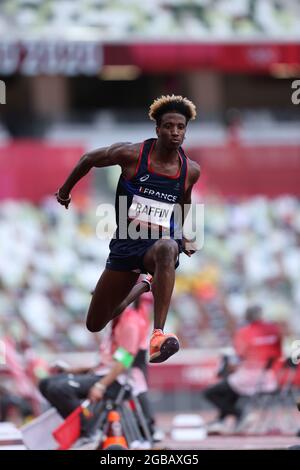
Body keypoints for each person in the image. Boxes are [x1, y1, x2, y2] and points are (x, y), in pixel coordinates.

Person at [56, 95, 200, 363]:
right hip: (126, 245)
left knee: (168, 248)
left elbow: (185, 200)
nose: (175, 132)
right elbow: (88, 158)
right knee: (96, 322)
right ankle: (145, 284)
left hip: (158, 243)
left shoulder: (190, 170)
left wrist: (188, 234)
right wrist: (65, 191)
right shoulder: (132, 154)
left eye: (181, 127)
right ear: (157, 129)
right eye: (169, 126)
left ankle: (158, 333)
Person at [39, 295, 158, 444]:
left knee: (59, 389)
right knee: (45, 383)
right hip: (103, 374)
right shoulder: (114, 322)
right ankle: (78, 426)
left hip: (117, 382)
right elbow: (105, 363)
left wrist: (101, 385)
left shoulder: (129, 324)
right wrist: (72, 370)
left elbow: (125, 361)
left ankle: (89, 430)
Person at [204, 305, 282, 433]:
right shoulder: (274, 330)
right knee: (230, 390)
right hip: (269, 379)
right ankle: (223, 420)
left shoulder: (244, 332)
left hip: (248, 378)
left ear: (247, 317)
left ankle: (238, 414)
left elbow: (239, 356)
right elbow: (278, 354)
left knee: (211, 393)